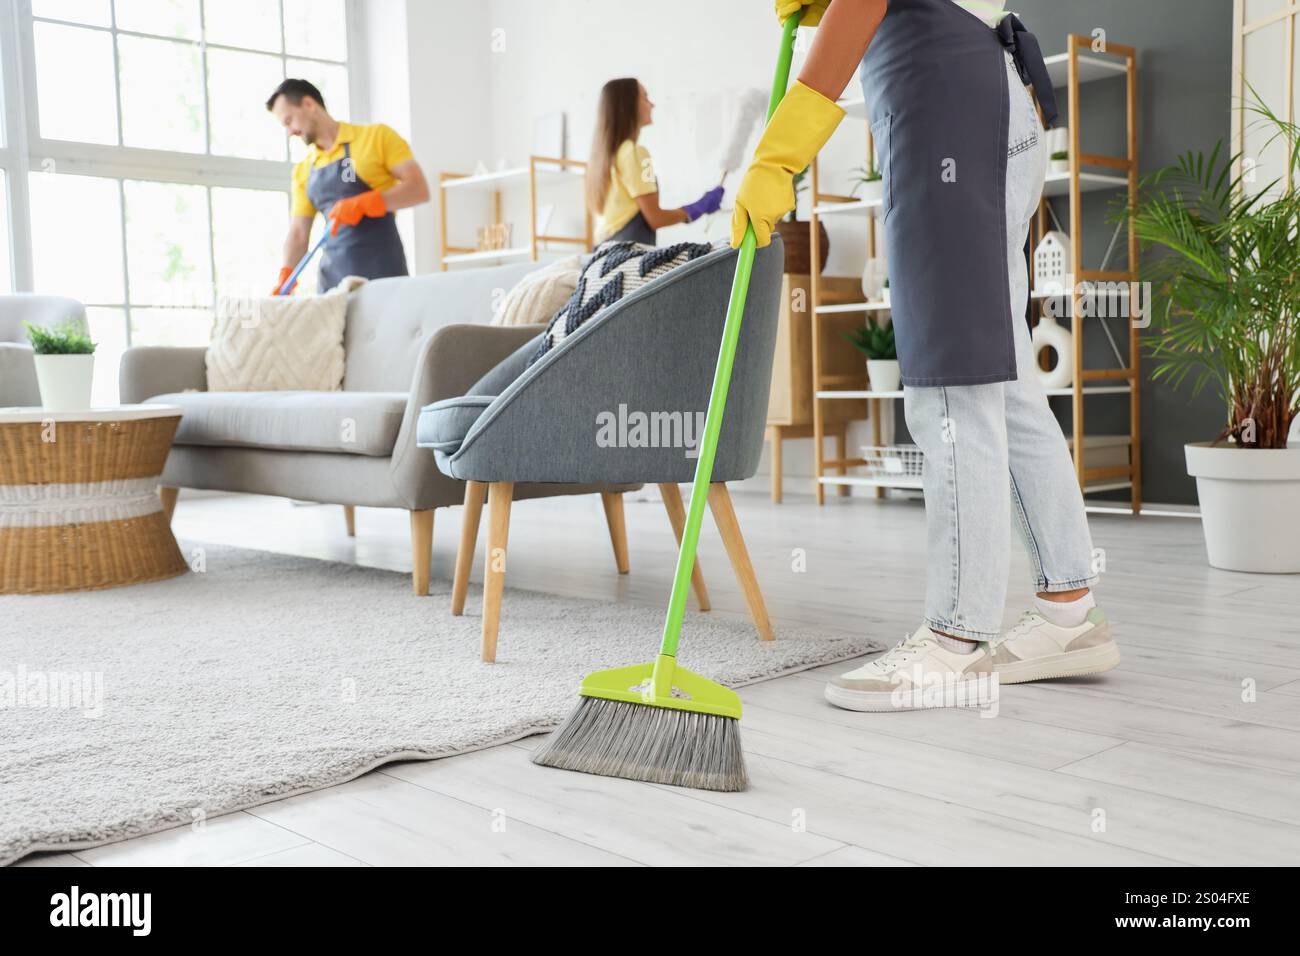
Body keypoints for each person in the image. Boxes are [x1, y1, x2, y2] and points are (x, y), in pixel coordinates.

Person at [732, 0, 1120, 711]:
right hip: (985, 96)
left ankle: (955, 644)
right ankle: (1067, 614)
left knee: (951, 379)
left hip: (946, 99)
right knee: (998, 380)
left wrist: (781, 151)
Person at [266, 79, 430, 294]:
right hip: (333, 284)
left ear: (309, 104)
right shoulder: (304, 170)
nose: (290, 132)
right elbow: (298, 233)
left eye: (289, 121)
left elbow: (418, 189)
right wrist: (287, 273)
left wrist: (368, 202)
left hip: (383, 276)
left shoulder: (376, 137)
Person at [588, 78, 725, 245]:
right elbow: (655, 218)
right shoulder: (636, 153)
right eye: (645, 98)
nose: (652, 105)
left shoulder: (604, 157)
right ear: (628, 105)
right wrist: (698, 207)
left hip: (602, 251)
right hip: (627, 252)